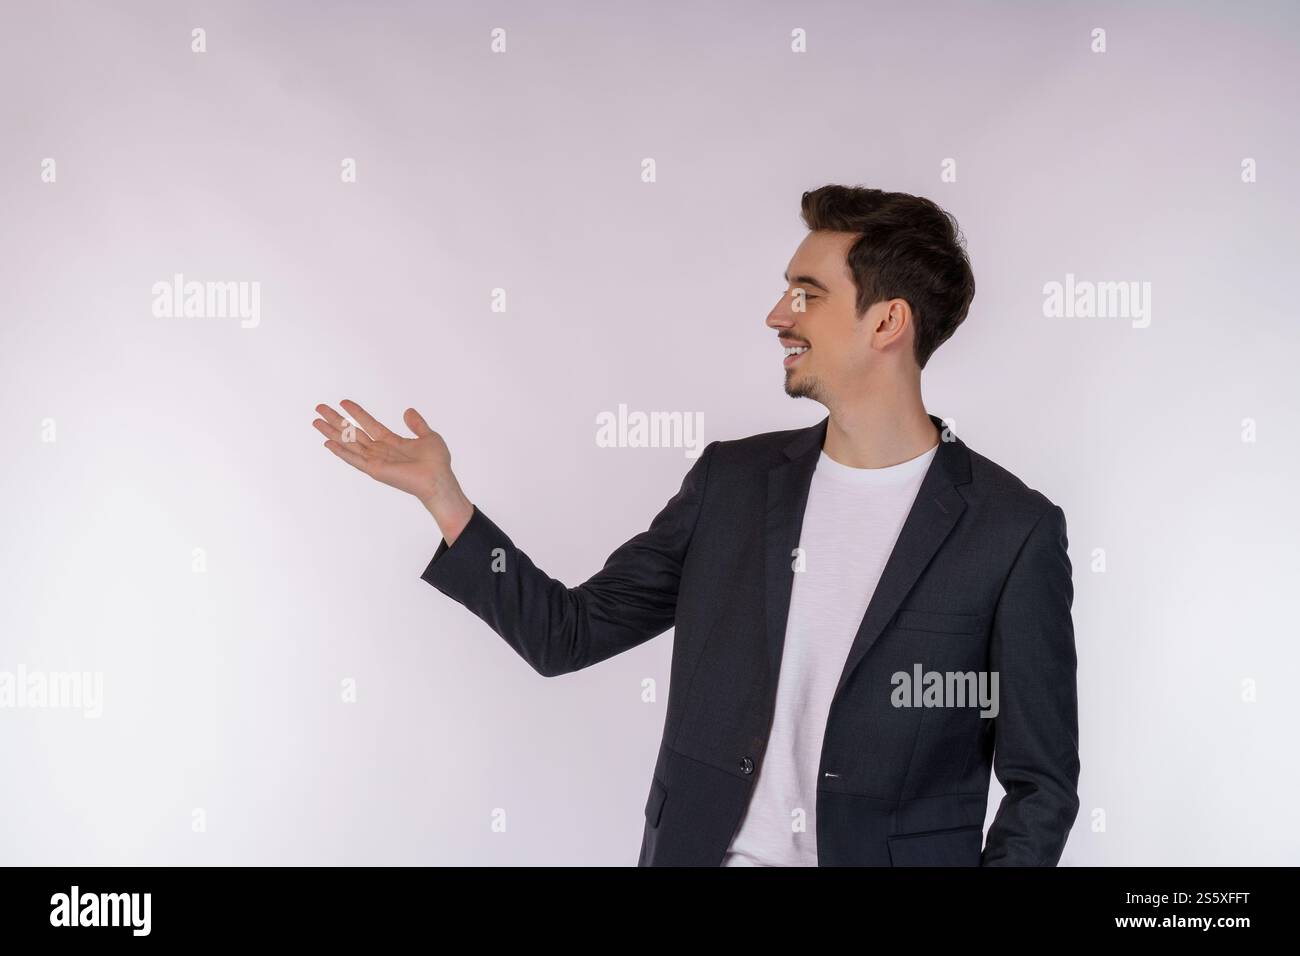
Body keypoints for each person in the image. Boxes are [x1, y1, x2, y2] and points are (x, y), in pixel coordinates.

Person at [311, 185, 1080, 866]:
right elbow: (568, 634)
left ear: (887, 321)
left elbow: (1040, 787)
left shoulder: (1012, 534)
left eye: (807, 294)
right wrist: (447, 500)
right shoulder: (733, 485)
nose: (778, 314)